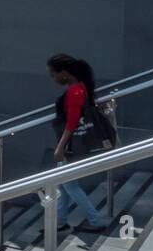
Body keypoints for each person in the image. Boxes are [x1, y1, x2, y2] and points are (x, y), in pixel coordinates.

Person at [47, 54, 112, 233]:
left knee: (70, 185)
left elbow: (73, 121)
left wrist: (60, 147)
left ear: (64, 73)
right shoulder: (81, 87)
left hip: (73, 147)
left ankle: (95, 220)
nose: (53, 79)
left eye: (53, 75)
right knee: (64, 184)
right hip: (76, 144)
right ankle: (60, 220)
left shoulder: (75, 90)